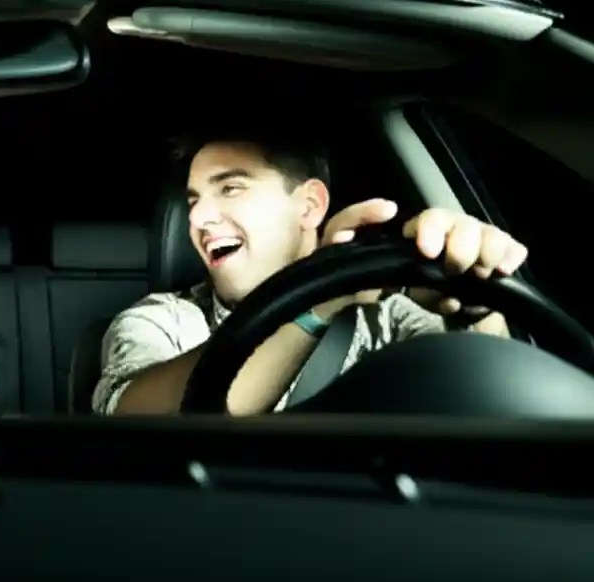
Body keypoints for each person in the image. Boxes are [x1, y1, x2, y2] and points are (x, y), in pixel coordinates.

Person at [93, 128, 529, 417]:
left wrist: (474, 302)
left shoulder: (385, 318)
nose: (200, 217)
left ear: (309, 206)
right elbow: (139, 424)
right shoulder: (160, 322)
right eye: (193, 201)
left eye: (231, 188)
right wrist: (314, 302)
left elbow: (491, 417)